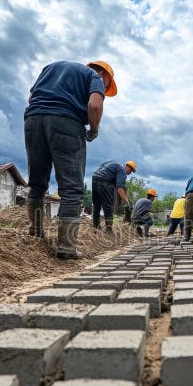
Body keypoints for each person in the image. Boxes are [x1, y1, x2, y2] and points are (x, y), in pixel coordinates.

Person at [24, 60, 117, 259]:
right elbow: (94, 105)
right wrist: (93, 129)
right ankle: (66, 248)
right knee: (72, 189)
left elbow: (32, 97)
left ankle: (35, 236)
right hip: (66, 123)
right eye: (108, 85)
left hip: (33, 120)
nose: (106, 88)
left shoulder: (51, 68)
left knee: (37, 185)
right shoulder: (94, 77)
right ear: (104, 74)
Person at [92, 160, 136, 233]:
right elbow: (120, 189)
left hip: (95, 178)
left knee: (97, 205)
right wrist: (127, 202)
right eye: (131, 171)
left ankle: (95, 226)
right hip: (105, 180)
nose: (130, 173)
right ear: (128, 167)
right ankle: (109, 231)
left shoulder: (113, 164)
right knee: (108, 207)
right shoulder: (122, 171)